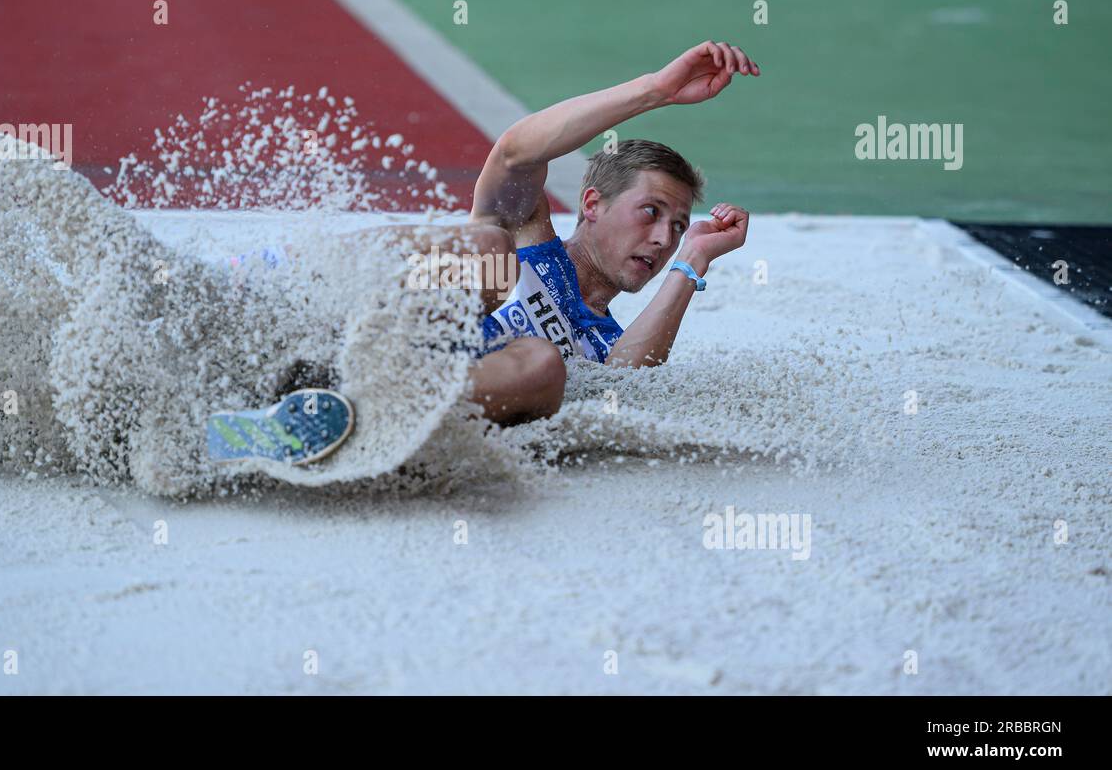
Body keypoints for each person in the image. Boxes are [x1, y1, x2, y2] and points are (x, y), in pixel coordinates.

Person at [214, 40, 759, 462]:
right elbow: (516, 154)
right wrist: (653, 91)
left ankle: (327, 421)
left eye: (678, 226)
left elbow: (625, 383)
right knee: (486, 245)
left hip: (390, 402)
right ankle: (267, 281)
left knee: (546, 367)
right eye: (651, 212)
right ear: (592, 203)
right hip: (354, 333)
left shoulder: (607, 347)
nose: (664, 238)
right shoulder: (530, 239)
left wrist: (695, 260)